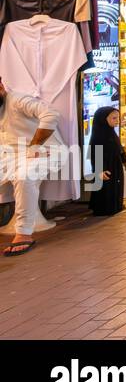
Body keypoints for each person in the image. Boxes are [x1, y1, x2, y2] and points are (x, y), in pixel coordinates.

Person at [0, 80, 67, 256]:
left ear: (1, 86)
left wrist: (34, 147)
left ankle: (23, 233)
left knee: (24, 177)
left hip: (46, 151)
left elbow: (50, 114)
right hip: (10, 155)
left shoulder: (18, 101)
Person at [87, 106, 126, 217]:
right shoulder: (98, 136)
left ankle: (116, 205)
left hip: (115, 165)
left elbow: (119, 148)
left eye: (117, 118)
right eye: (114, 118)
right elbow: (95, 154)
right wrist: (98, 170)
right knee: (105, 188)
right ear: (103, 119)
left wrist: (125, 160)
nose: (117, 121)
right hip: (105, 167)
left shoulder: (112, 133)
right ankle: (104, 208)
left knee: (117, 186)